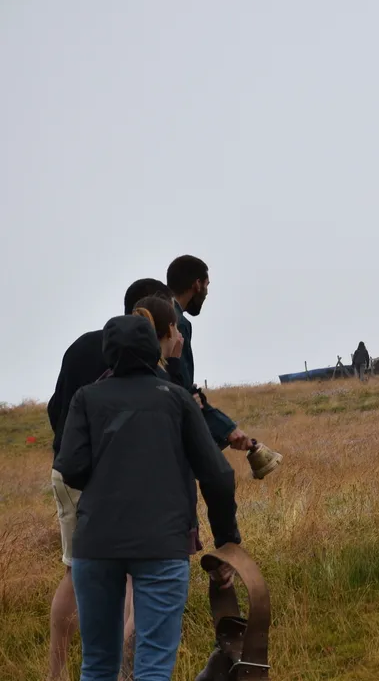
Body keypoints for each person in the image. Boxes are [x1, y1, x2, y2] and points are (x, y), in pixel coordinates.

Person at [53, 313, 241, 681]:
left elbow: (70, 468)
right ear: (154, 348)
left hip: (96, 544)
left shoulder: (86, 398)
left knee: (97, 665)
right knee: (153, 667)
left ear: (108, 352)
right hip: (162, 544)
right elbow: (218, 475)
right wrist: (226, 542)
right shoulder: (177, 398)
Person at [45, 278, 175, 681]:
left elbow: (54, 408)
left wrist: (70, 449)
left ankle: (57, 673)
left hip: (67, 469)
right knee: (133, 571)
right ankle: (121, 668)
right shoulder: (145, 364)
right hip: (112, 475)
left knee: (75, 570)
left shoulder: (81, 345)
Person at [165, 256, 252, 452]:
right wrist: (227, 430)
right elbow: (183, 389)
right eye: (207, 285)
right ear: (197, 284)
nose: (206, 292)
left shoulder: (158, 315)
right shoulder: (178, 324)